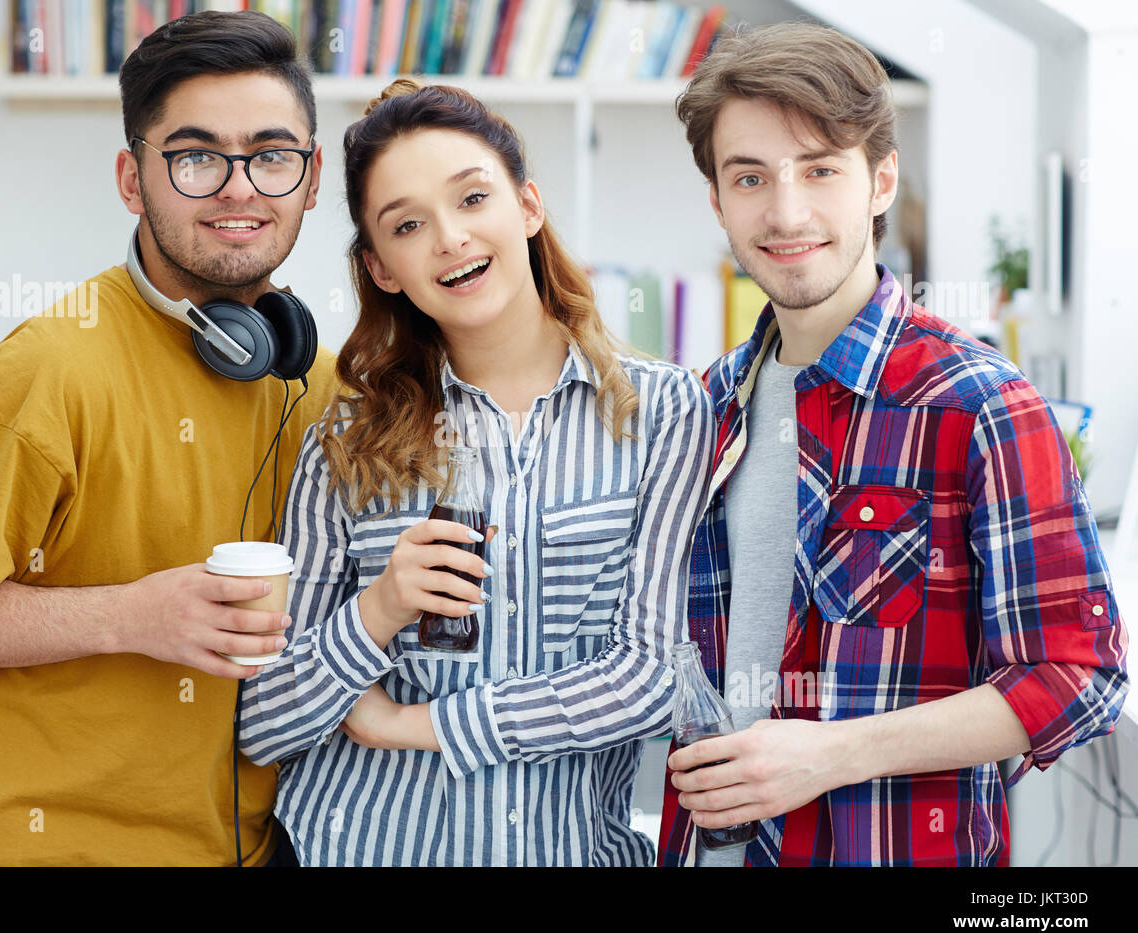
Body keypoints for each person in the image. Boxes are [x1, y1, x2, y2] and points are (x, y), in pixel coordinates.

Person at [0, 11, 336, 865]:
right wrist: (129, 614)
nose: (240, 188)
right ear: (132, 178)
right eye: (196, 158)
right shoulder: (45, 370)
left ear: (310, 181)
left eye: (271, 156)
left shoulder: (320, 382)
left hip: (249, 847)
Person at [660, 22, 1129, 866]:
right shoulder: (704, 407)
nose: (786, 211)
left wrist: (827, 755)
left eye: (820, 170)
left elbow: (1077, 677)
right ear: (717, 200)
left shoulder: (981, 403)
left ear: (880, 181)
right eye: (751, 176)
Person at [237, 79, 712, 866]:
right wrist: (379, 610)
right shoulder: (346, 442)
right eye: (408, 225)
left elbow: (650, 679)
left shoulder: (663, 413)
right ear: (382, 268)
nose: (450, 239)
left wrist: (411, 726)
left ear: (526, 207)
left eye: (472, 199)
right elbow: (265, 721)